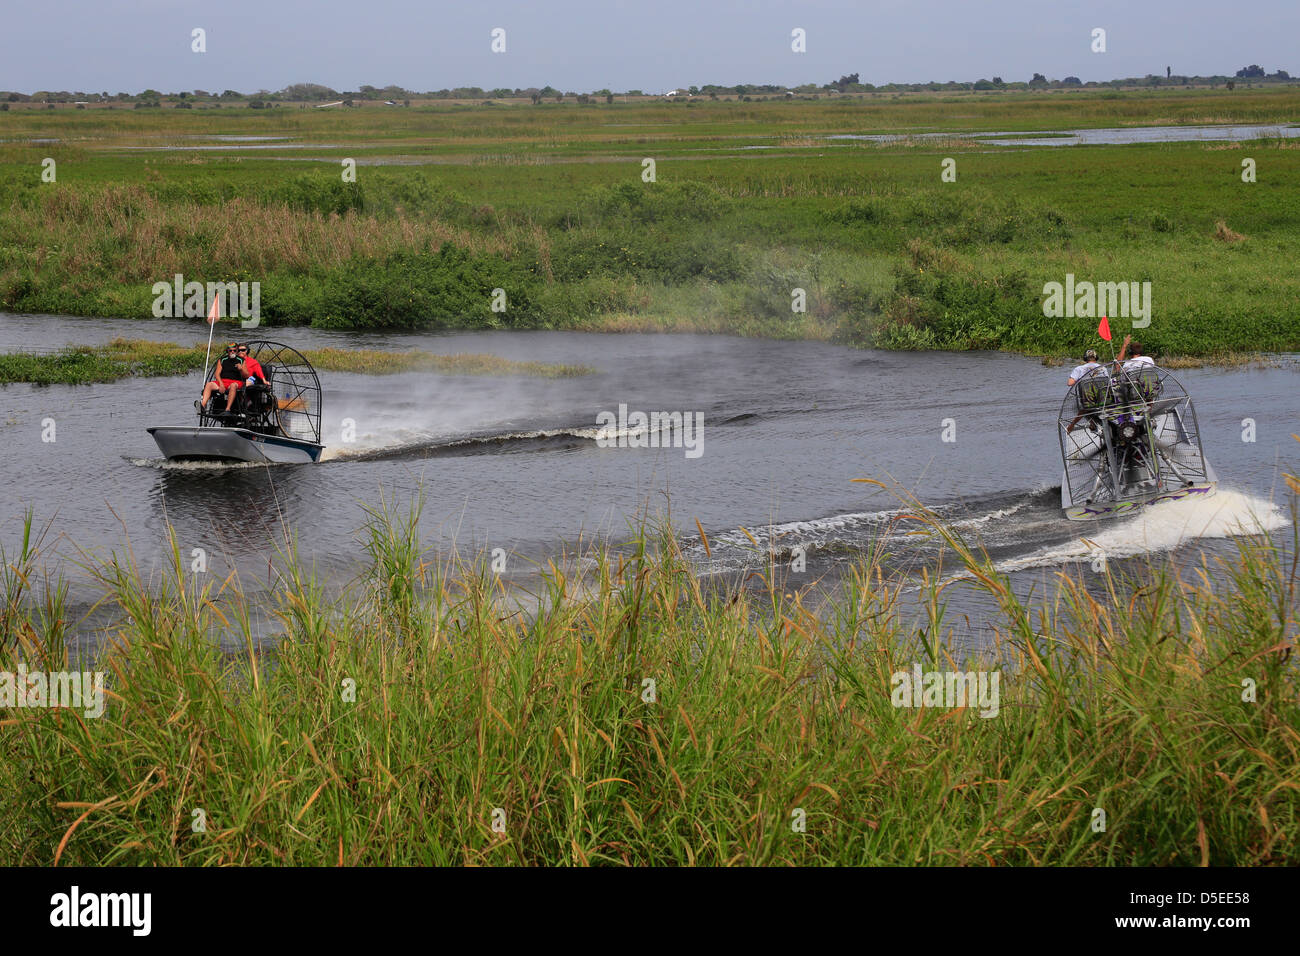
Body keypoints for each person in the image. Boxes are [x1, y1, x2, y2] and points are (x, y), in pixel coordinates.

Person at [199, 343, 249, 415]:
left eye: (234, 351)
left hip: (236, 382)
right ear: (227, 351)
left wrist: (241, 369)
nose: (232, 352)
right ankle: (202, 405)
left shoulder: (241, 360)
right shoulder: (222, 360)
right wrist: (221, 384)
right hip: (223, 381)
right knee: (209, 384)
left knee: (233, 385)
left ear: (237, 351)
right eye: (230, 351)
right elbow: (217, 374)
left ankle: (227, 409)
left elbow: (247, 375)